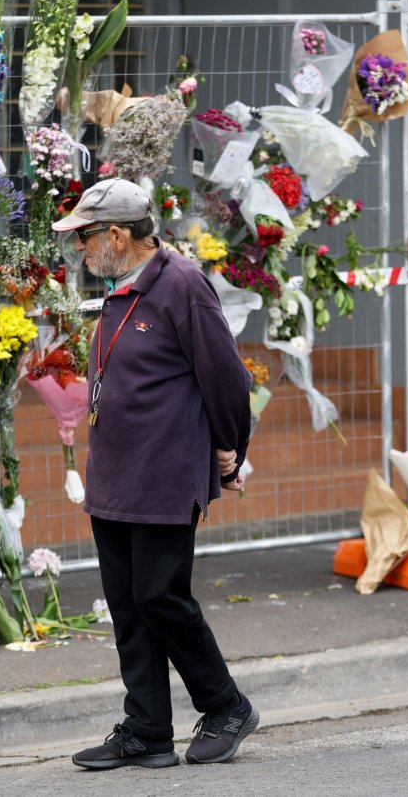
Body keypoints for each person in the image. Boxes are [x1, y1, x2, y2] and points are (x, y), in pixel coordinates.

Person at [51, 178, 257, 770]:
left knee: (159, 596)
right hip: (115, 473)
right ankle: (147, 729)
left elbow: (228, 380)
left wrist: (230, 449)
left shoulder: (182, 285)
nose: (79, 250)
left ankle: (226, 706)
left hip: (165, 471)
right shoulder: (122, 288)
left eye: (85, 238)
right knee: (127, 603)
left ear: (117, 235)